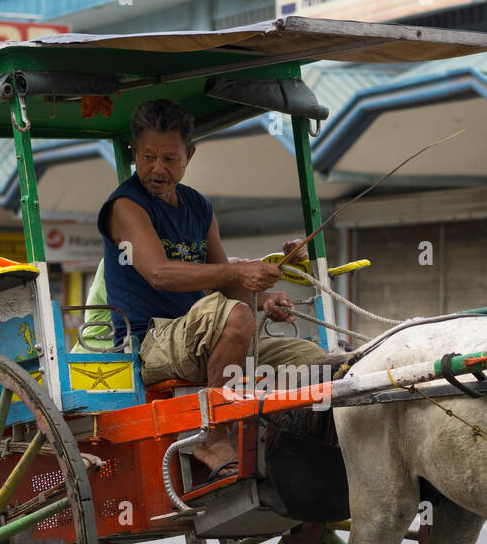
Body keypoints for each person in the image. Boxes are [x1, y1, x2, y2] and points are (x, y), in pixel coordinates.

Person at [98, 98, 326, 477]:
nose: (157, 168)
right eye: (148, 156)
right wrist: (238, 276)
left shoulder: (199, 207)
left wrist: (264, 297)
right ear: (133, 151)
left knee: (314, 361)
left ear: (190, 154)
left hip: (204, 333)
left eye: (170, 159)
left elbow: (223, 279)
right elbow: (159, 274)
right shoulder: (125, 205)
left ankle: (298, 448)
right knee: (235, 316)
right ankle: (212, 434)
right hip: (151, 340)